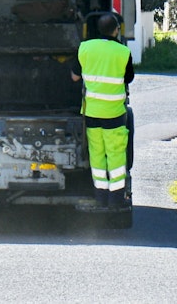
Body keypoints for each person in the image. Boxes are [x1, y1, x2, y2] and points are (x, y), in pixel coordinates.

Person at [71, 13, 134, 208]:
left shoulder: (85, 48)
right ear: (116, 30)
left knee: (96, 154)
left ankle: (100, 196)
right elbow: (128, 78)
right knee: (115, 154)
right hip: (114, 113)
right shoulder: (123, 52)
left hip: (91, 113)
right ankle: (115, 200)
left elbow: (75, 78)